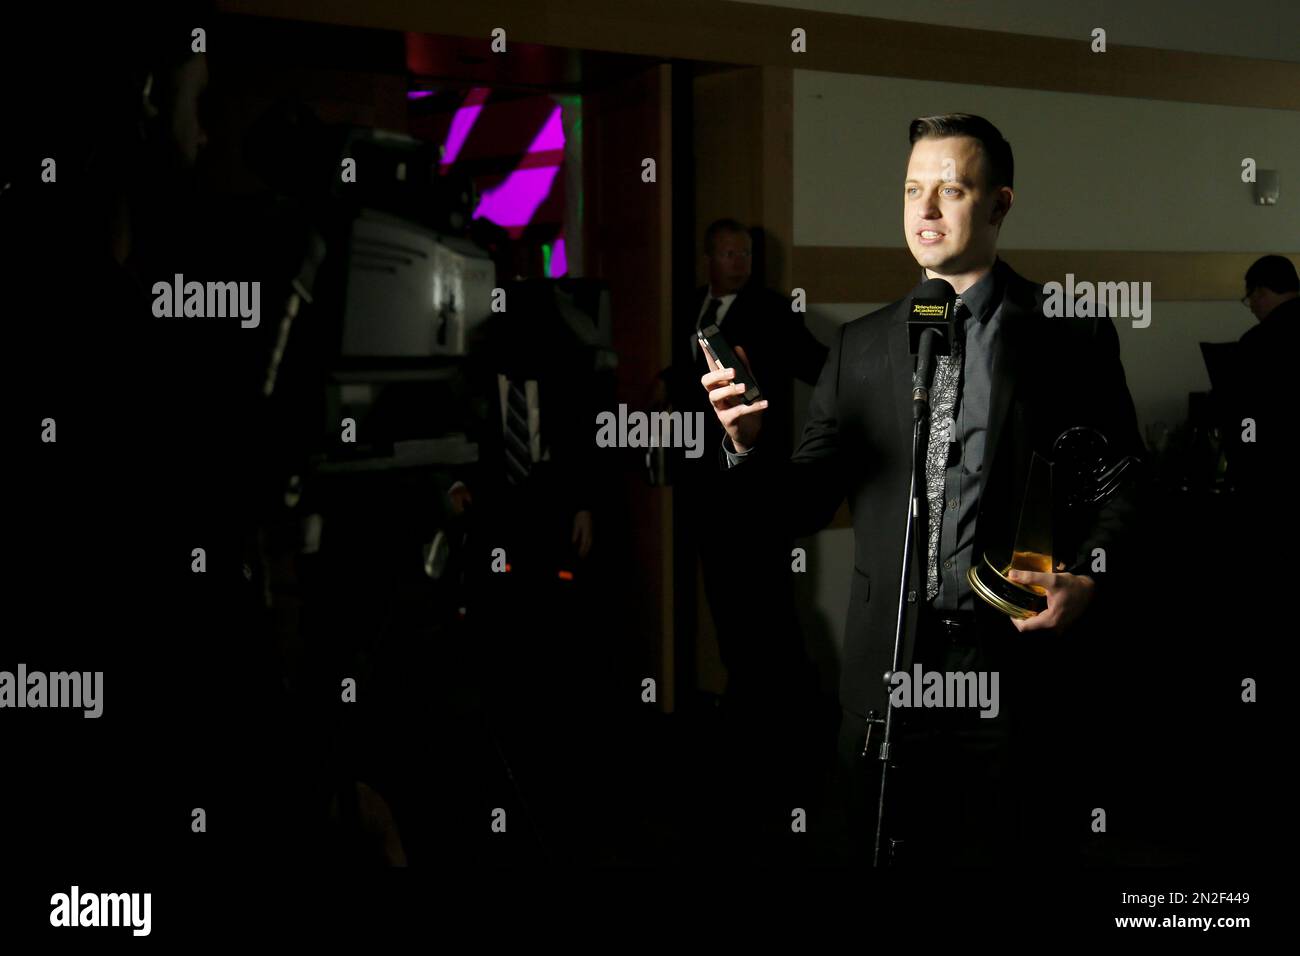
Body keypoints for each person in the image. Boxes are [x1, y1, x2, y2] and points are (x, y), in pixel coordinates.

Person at [700, 114, 1144, 866]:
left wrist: (1091, 578)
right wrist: (746, 449)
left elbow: (1123, 483)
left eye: (951, 189)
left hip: (1013, 669)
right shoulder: (861, 346)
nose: (926, 210)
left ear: (1000, 204)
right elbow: (803, 503)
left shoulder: (1070, 336)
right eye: (913, 190)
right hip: (890, 675)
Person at [668, 219, 829, 858]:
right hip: (707, 494)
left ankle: (789, 745)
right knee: (730, 611)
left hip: (757, 493)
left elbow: (818, 363)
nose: (739, 261)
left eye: (747, 253)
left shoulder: (767, 311)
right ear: (709, 255)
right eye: (729, 252)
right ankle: (749, 732)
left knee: (771, 616)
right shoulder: (694, 306)